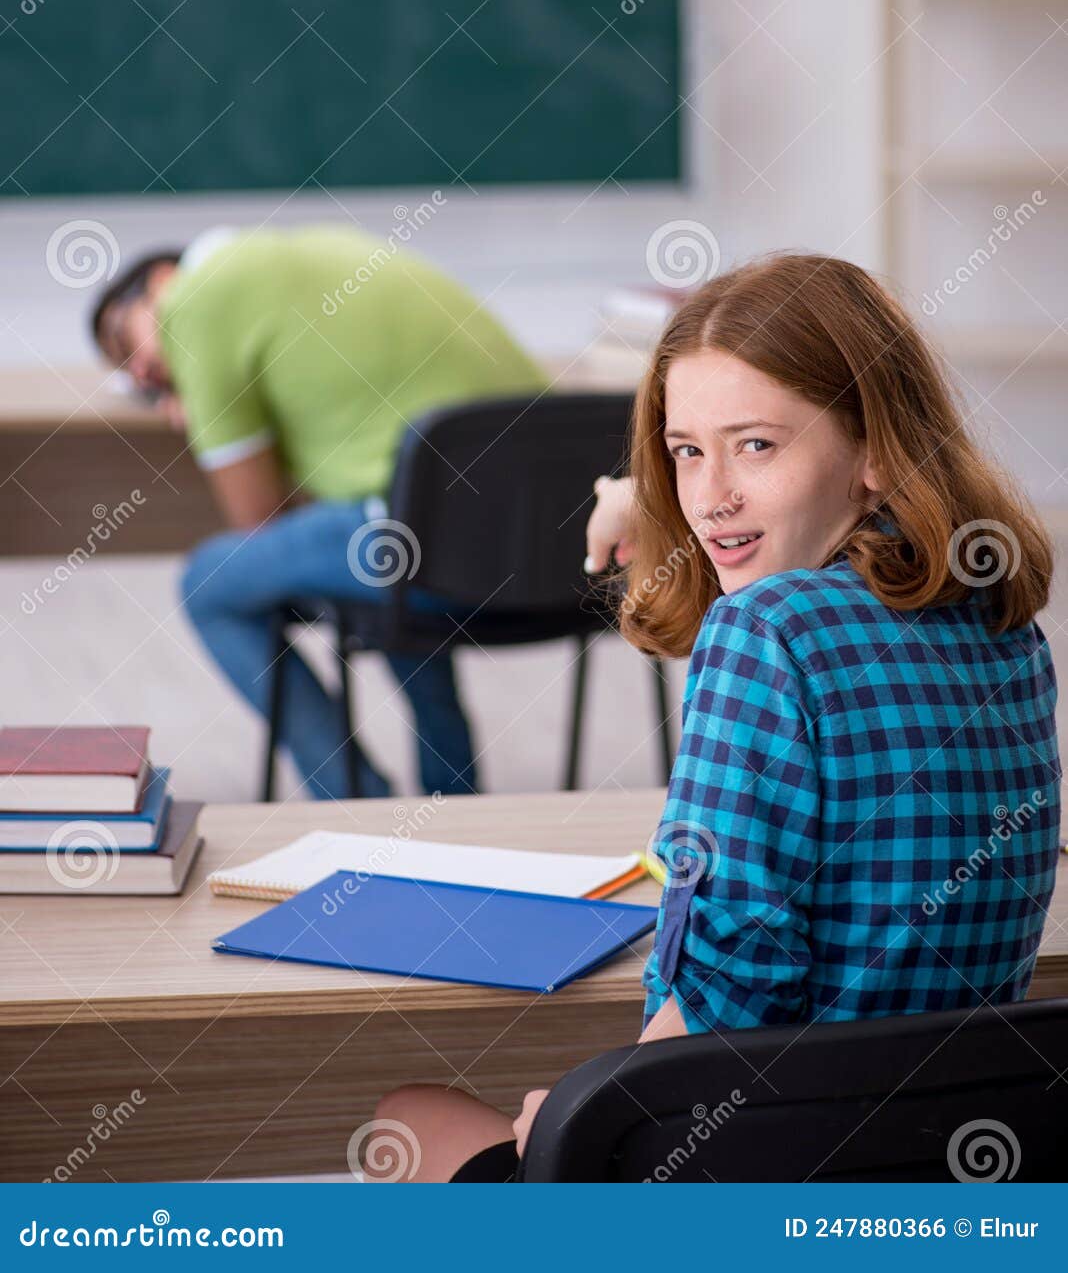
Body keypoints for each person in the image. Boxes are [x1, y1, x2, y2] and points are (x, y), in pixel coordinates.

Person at [367, 249, 1061, 1181]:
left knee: (410, 1115)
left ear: (877, 451)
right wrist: (648, 503)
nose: (710, 496)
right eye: (686, 451)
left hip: (757, 1174)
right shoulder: (1005, 627)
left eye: (757, 445)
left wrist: (582, 1111)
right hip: (945, 1173)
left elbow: (731, 994)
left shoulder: (760, 632)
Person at [92, 223, 549, 799]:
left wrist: (213, 400)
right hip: (552, 552)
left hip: (430, 551)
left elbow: (256, 521)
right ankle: (453, 795)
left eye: (124, 341)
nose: (138, 373)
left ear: (161, 281)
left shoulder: (194, 300)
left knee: (210, 582)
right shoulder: (322, 253)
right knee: (380, 549)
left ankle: (352, 798)